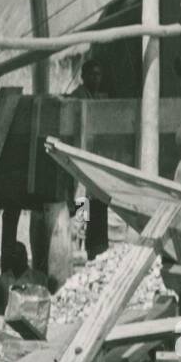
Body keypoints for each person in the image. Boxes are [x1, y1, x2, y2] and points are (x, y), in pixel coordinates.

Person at [69, 60, 110, 256]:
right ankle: (77, 242)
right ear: (83, 77)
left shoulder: (96, 98)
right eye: (92, 74)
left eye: (99, 74)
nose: (96, 78)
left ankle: (94, 250)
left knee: (96, 203)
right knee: (81, 199)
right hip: (79, 157)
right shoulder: (77, 97)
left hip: (93, 158)